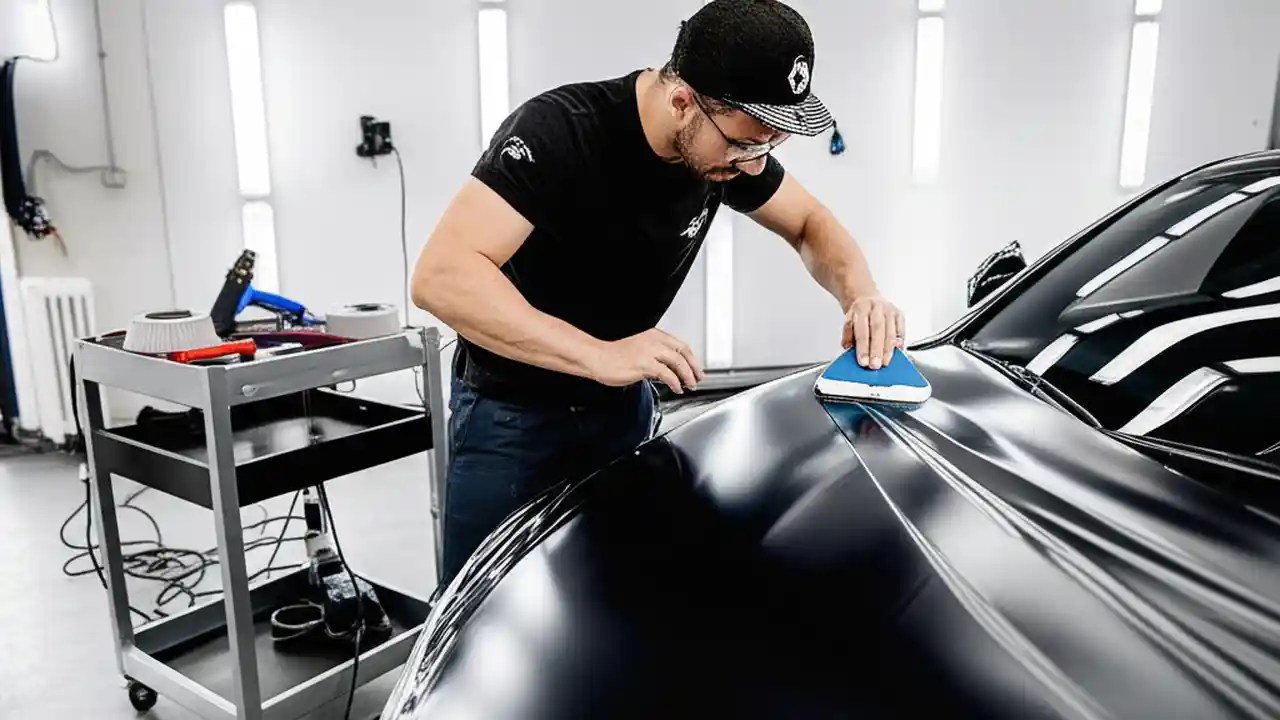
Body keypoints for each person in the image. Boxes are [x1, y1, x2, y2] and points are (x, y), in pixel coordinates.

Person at [412, 0, 906, 585]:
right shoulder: (559, 131)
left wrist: (862, 293)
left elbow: (810, 224)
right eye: (745, 145)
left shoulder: (722, 153)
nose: (753, 167)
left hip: (620, 411)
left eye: (768, 147)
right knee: (478, 620)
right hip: (511, 417)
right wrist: (598, 352)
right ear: (683, 101)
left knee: (610, 599)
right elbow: (442, 275)